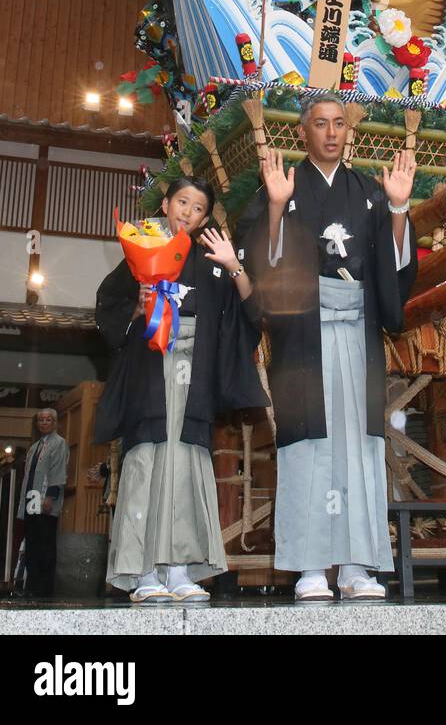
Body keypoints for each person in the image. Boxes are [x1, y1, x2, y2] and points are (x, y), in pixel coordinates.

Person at [235, 94, 418, 601]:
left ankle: (360, 566)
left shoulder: (368, 190)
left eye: (339, 123)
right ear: (303, 133)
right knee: (308, 448)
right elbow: (262, 264)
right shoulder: (286, 188)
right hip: (304, 343)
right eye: (320, 124)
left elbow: (393, 270)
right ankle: (311, 565)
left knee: (362, 448)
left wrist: (399, 207)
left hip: (358, 333)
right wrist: (274, 207)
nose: (331, 133)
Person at [94, 176, 267, 604]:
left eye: (197, 208)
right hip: (151, 374)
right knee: (147, 466)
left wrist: (233, 265)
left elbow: (252, 312)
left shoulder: (212, 257)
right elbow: (109, 309)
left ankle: (180, 571)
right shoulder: (142, 246)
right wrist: (138, 303)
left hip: (195, 375)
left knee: (187, 467)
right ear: (166, 203)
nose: (186, 212)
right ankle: (144, 572)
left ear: (205, 217)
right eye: (181, 202)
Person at [16, 410, 68, 598]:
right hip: (31, 497)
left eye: (48, 420)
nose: (44, 423)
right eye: (41, 420)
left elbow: (58, 470)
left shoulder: (58, 443)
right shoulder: (35, 446)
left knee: (45, 544)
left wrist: (50, 497)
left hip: (45, 498)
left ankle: (44, 589)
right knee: (32, 543)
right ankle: (31, 586)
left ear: (54, 422)